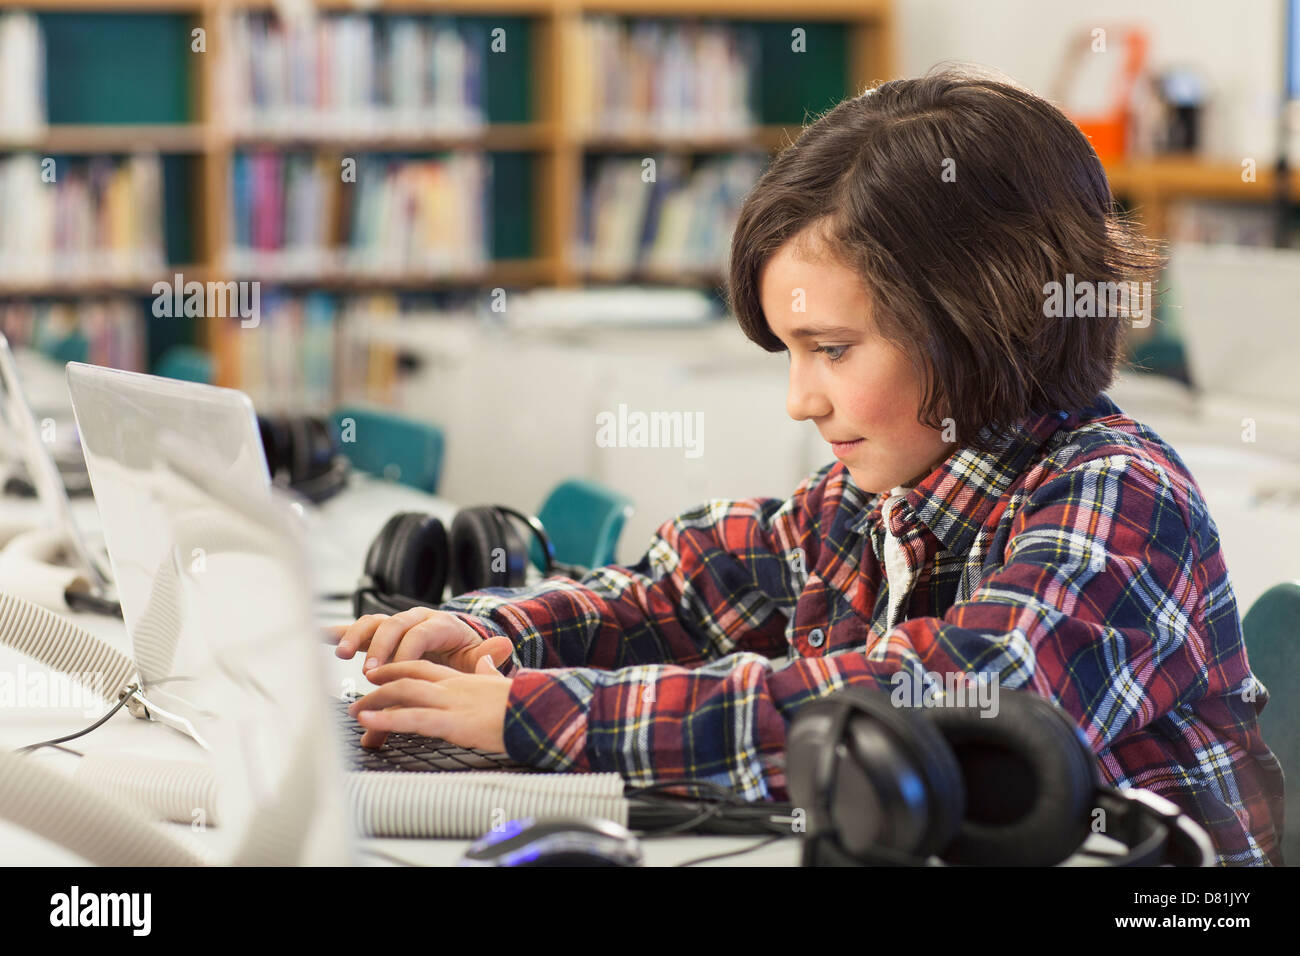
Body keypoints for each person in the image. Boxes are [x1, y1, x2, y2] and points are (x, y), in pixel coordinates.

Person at [327, 66, 1284, 866]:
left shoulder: (1119, 494)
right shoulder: (868, 497)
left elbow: (936, 701)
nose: (801, 399)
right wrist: (492, 636)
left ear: (985, 325)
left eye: (831, 349)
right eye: (790, 352)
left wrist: (532, 714)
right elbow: (672, 600)